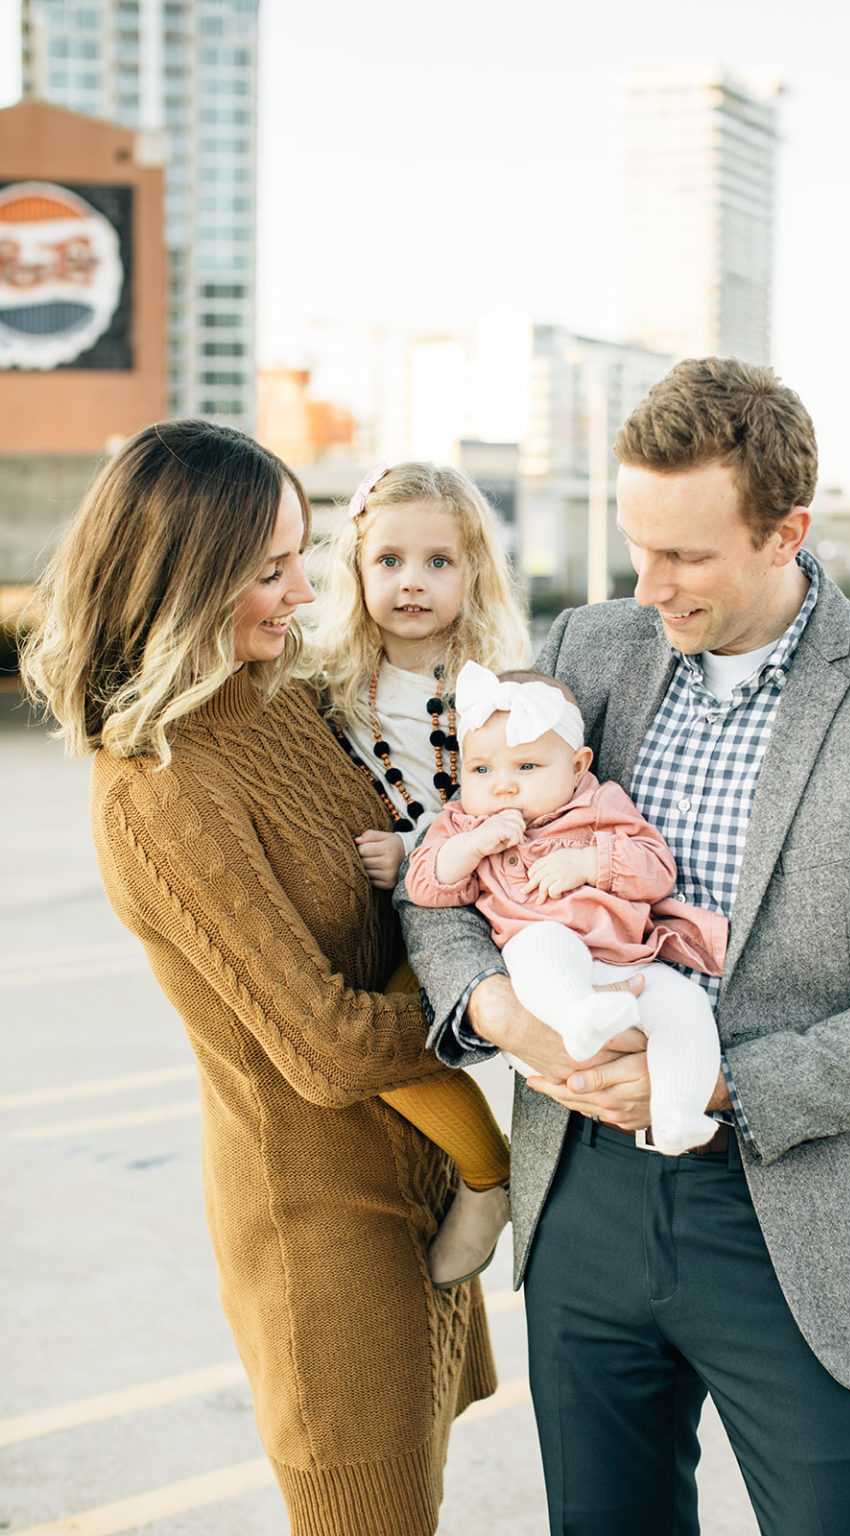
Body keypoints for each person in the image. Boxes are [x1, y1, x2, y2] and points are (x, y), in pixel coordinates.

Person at [395, 357, 850, 1536]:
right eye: (636, 545)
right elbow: (443, 880)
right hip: (578, 1197)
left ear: (786, 531)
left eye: (685, 555)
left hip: (802, 1208)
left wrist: (726, 1080)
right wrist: (491, 1007)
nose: (651, 584)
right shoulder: (585, 648)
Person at [21, 420, 497, 1536]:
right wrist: (494, 1001)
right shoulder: (159, 786)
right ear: (185, 577)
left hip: (421, 1173)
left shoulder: (285, 692)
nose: (304, 589)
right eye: (271, 567)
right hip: (320, 1226)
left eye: (304, 553)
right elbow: (328, 1044)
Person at [314, 460, 531, 1285]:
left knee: (377, 1042)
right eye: (390, 561)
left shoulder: (488, 688)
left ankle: (491, 1176)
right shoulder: (330, 682)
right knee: (366, 1042)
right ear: (357, 569)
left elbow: (516, 796)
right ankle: (485, 1172)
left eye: (439, 562)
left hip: (472, 906)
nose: (414, 583)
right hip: (382, 913)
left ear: (473, 572)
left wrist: (421, 849)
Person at [406, 661, 728, 1155]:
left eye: (527, 767)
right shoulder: (465, 823)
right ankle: (579, 1016)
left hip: (629, 963)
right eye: (481, 769)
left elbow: (657, 869)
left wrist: (589, 861)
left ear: (578, 767)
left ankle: (679, 1113)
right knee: (542, 941)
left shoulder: (602, 805)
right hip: (545, 995)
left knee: (683, 1006)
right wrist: (472, 847)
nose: (502, 786)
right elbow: (425, 886)